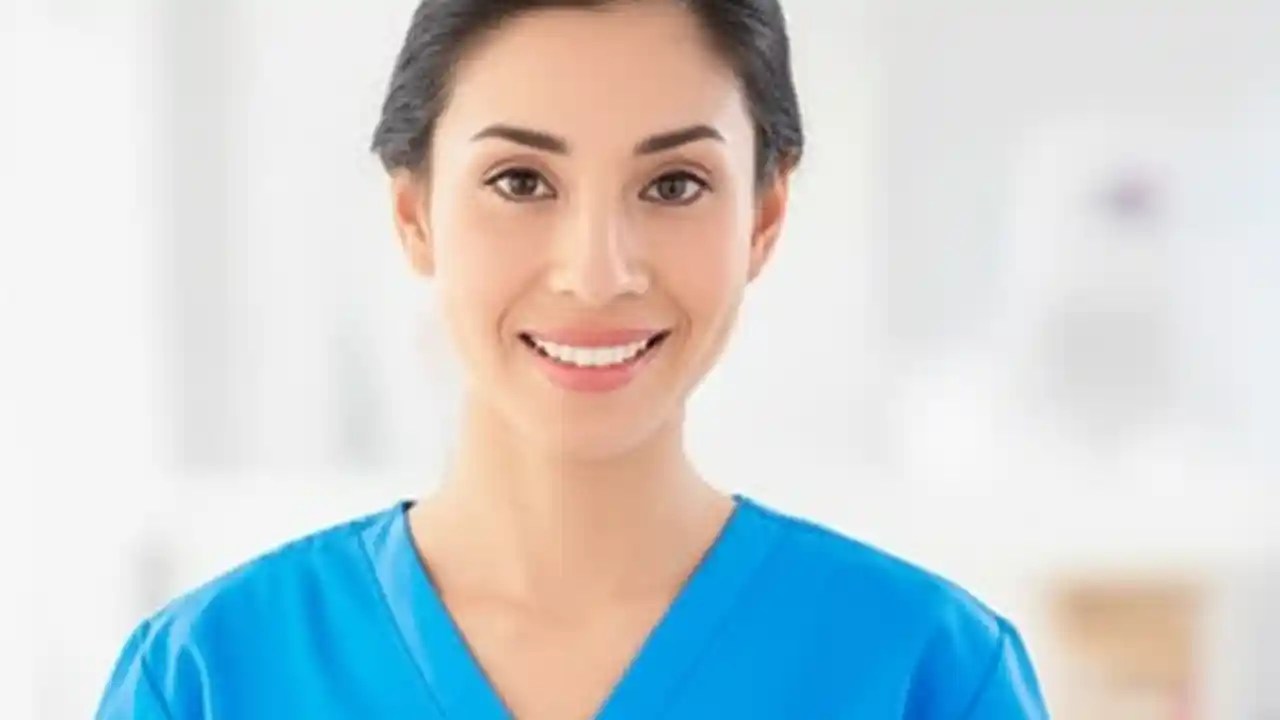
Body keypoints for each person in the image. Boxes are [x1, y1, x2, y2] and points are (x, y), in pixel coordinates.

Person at [96, 0, 1048, 717]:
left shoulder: (927, 673)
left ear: (764, 218)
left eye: (674, 185)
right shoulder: (210, 678)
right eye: (521, 181)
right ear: (414, 213)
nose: (597, 274)